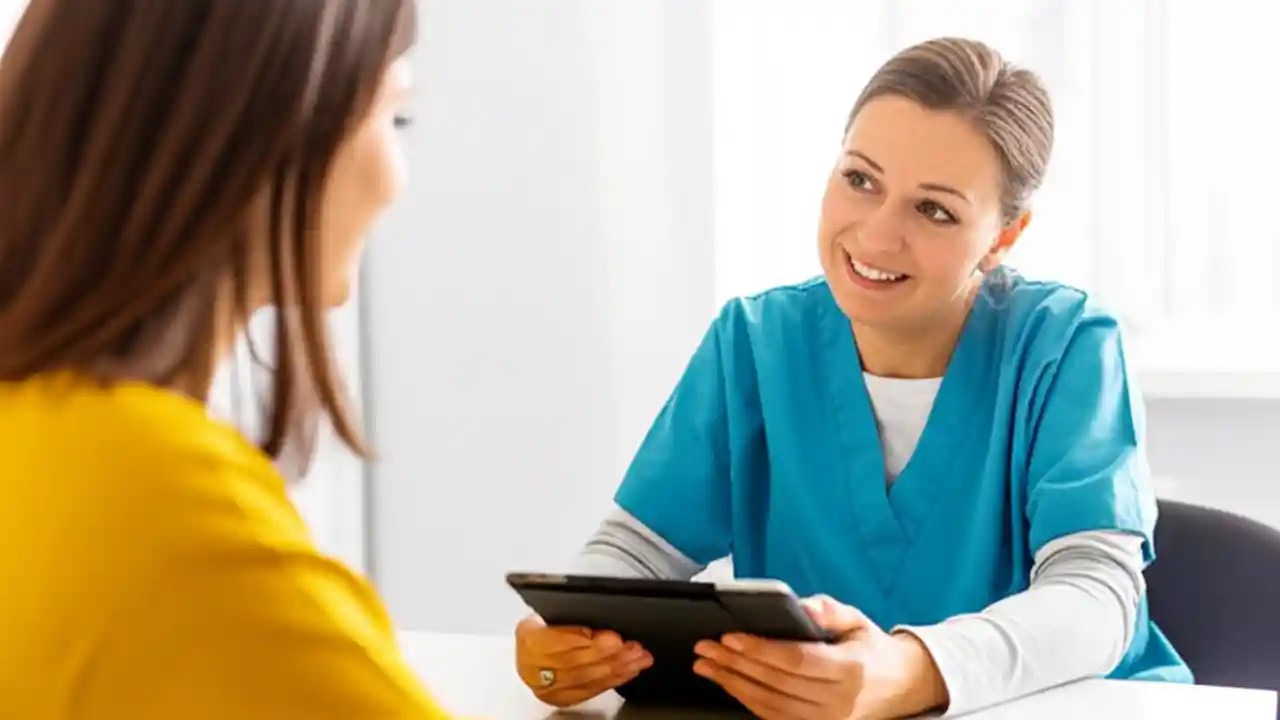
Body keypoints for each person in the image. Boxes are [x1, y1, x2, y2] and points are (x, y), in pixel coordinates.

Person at [514, 37, 1193, 719]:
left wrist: (913, 671)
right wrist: (562, 642)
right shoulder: (755, 344)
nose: (875, 236)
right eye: (861, 180)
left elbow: (1097, 594)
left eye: (934, 210)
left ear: (1003, 236)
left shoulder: (1065, 345)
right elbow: (636, 551)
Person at [0, 1, 449, 717]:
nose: (394, 178)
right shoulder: (157, 501)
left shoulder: (33, 431)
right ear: (269, 131)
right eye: (392, 116)